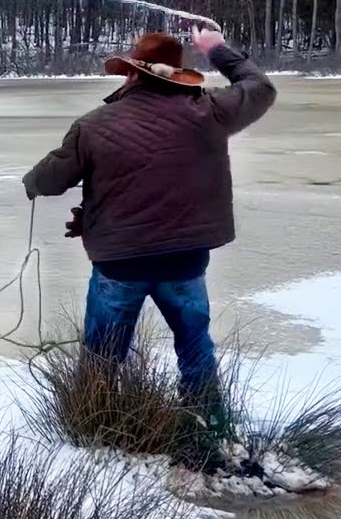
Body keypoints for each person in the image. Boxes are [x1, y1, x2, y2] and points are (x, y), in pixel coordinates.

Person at [21, 27, 276, 432]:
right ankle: (205, 425)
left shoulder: (93, 125)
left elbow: (50, 180)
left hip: (120, 263)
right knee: (195, 347)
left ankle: (93, 429)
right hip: (185, 259)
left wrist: (32, 182)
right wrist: (216, 50)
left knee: (103, 355)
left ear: (134, 73)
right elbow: (260, 88)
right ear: (175, 76)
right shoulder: (208, 111)